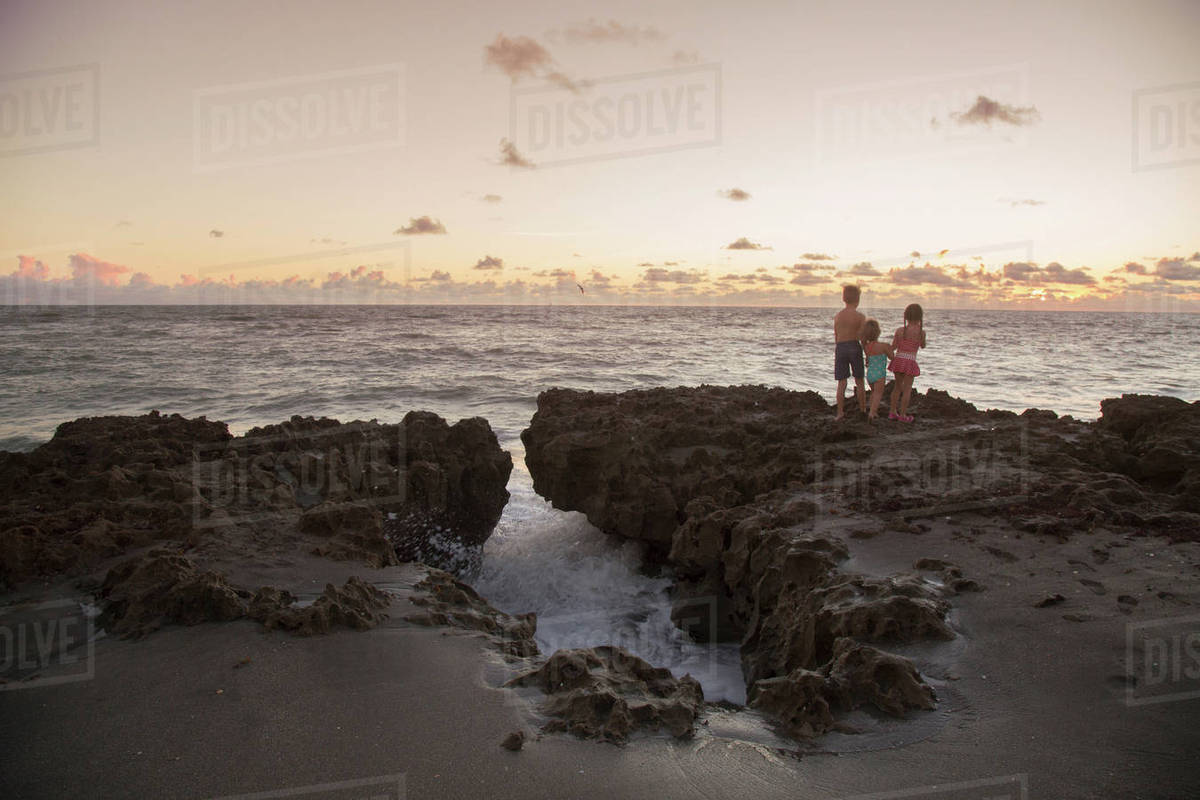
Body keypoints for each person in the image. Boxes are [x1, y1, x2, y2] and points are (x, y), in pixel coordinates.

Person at [887, 303, 927, 422]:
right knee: (907, 388)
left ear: (906, 317)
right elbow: (923, 346)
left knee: (897, 387)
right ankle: (903, 415)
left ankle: (892, 412)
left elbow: (893, 347)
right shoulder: (921, 332)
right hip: (910, 361)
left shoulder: (900, 331)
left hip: (899, 359)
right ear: (920, 317)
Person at [833, 285, 867, 421]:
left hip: (840, 347)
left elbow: (836, 336)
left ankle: (840, 412)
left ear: (844, 298)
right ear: (857, 299)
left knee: (842, 382)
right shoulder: (860, 316)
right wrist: (867, 354)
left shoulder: (838, 316)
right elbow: (862, 338)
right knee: (859, 381)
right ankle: (863, 410)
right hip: (854, 345)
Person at [861, 318, 895, 420]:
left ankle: (872, 410)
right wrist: (890, 348)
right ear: (878, 332)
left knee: (873, 393)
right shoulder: (883, 346)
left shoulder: (866, 347)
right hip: (880, 374)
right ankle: (872, 413)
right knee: (878, 394)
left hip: (870, 375)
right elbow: (892, 357)